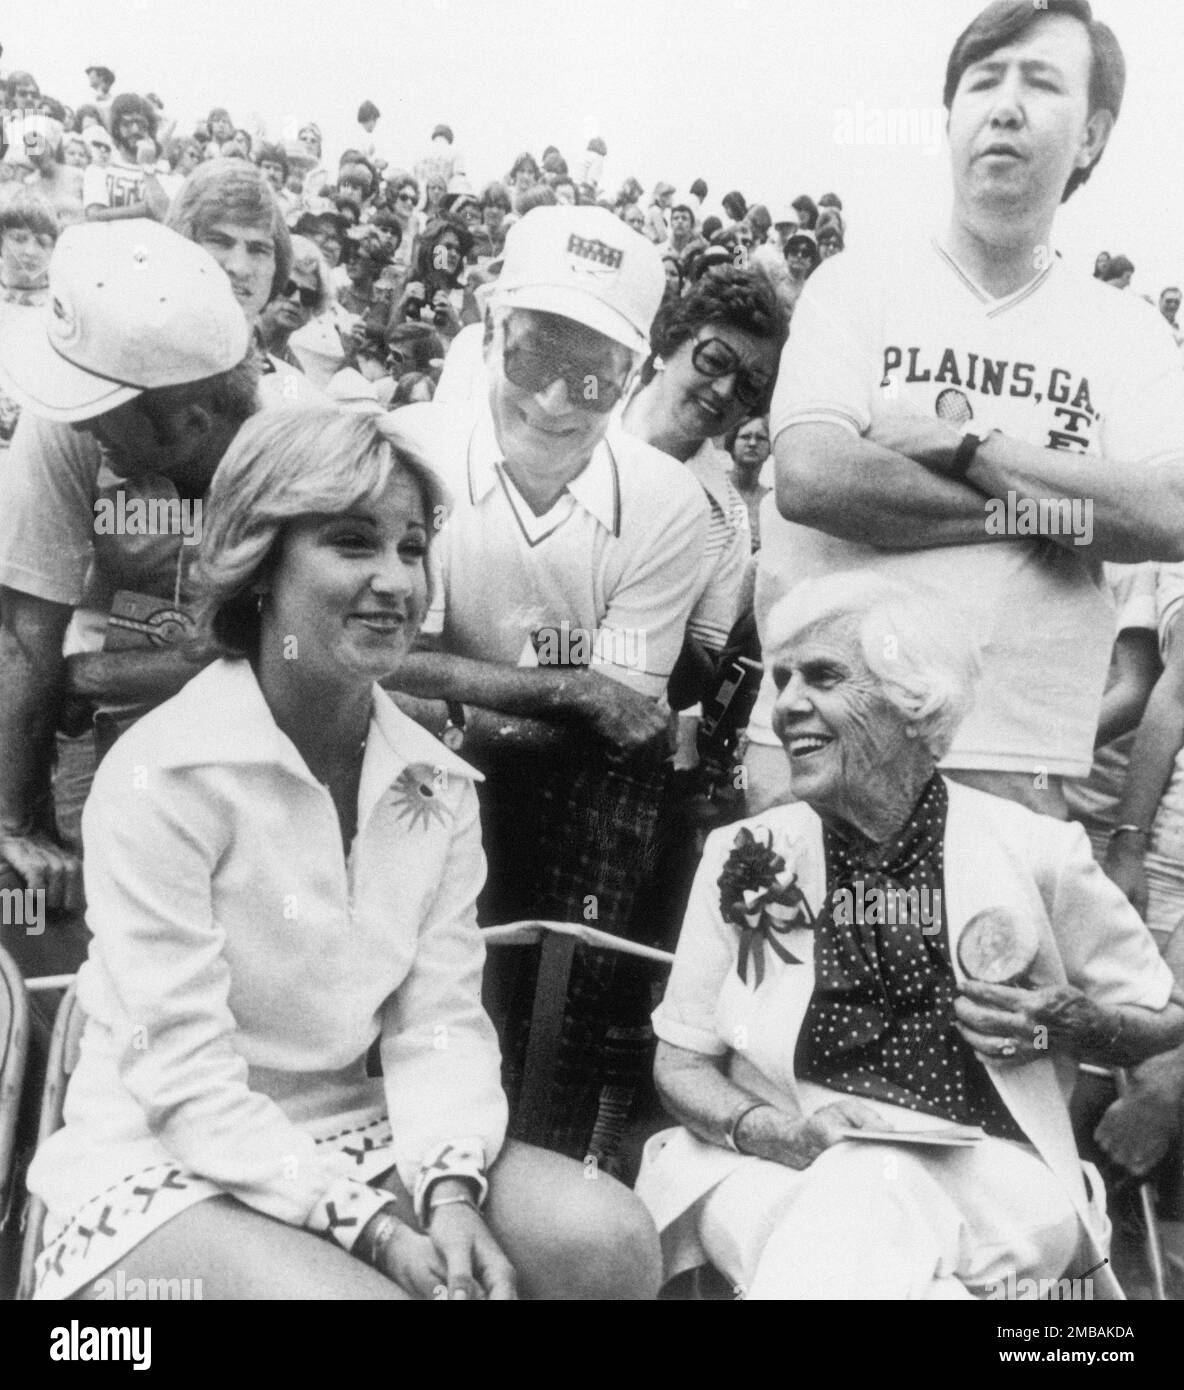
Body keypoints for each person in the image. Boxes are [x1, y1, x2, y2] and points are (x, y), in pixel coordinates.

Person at [25, 406, 662, 1301]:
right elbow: (182, 1080)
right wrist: (373, 1233)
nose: (396, 581)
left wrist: (447, 1195)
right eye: (353, 543)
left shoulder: (436, 784)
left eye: (411, 547)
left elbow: (438, 1024)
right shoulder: (161, 776)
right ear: (260, 563)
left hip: (358, 1134)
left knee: (608, 1240)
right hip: (159, 1159)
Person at [636, 572, 1184, 1299]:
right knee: (868, 1215)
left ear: (913, 701)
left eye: (823, 677)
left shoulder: (1038, 853)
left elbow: (1163, 1023)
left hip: (996, 1174)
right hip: (775, 1164)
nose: (787, 703)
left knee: (867, 1193)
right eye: (782, 679)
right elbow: (681, 1065)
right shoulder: (744, 853)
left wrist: (1072, 1021)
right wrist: (776, 1132)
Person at [757, 0, 1184, 821]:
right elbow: (812, 478)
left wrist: (961, 445)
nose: (1007, 105)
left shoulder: (1128, 333)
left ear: (1091, 135)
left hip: (1015, 762)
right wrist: (1054, 512)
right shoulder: (855, 285)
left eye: (1043, 84)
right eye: (984, 80)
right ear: (949, 117)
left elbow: (1165, 517)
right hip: (822, 745)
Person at [389, 205, 710, 1160]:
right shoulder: (409, 445)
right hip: (418, 760)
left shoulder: (664, 501)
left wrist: (469, 697)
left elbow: (618, 721)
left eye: (595, 374)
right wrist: (559, 687)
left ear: (633, 376)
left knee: (609, 818)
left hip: (542, 774)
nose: (558, 400)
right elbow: (377, 666)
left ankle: (553, 1136)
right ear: (490, 330)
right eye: (533, 357)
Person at [0, 221, 261, 909]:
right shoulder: (63, 424)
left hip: (253, 743)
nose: (82, 424)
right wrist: (12, 825)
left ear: (192, 422)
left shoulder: (297, 444)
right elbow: (25, 637)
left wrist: (111, 673)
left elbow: (296, 661)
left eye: (100, 412)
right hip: (98, 727)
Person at [0, 189, 57, 450]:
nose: (30, 251)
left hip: (34, 440)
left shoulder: (61, 309)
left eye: (42, 242)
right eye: (19, 238)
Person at [82, 92, 167, 221]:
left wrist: (147, 166)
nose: (135, 129)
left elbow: (165, 214)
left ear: (150, 129)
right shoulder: (100, 169)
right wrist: (144, 209)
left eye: (141, 123)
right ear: (117, 128)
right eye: (127, 123)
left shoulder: (162, 173)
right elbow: (94, 215)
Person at [257, 234, 334, 370]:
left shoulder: (293, 369)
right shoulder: (235, 341)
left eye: (308, 295)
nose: (296, 300)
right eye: (288, 287)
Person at [726, 415, 772, 550]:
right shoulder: (718, 488)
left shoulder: (771, 500)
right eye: (745, 437)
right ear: (732, 443)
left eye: (761, 438)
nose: (752, 443)